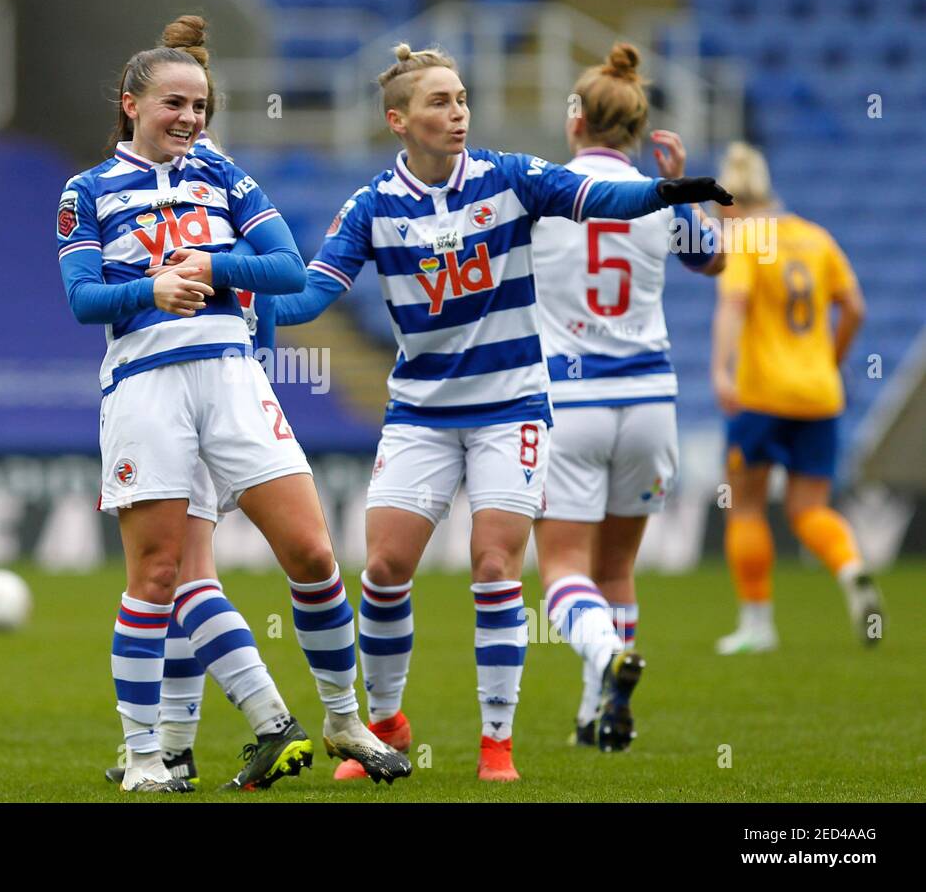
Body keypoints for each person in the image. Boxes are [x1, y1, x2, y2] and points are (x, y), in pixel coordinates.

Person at [270, 43, 732, 781]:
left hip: (511, 407)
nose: (457, 114)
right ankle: (384, 726)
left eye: (461, 99)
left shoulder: (509, 177)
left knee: (495, 567)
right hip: (420, 412)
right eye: (439, 103)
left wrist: (663, 194)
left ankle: (496, 747)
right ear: (398, 120)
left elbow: (597, 199)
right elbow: (313, 293)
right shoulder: (370, 207)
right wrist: (239, 300)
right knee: (385, 569)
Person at [58, 15, 411, 793]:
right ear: (130, 104)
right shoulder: (86, 191)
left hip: (233, 377)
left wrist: (214, 268)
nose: (187, 119)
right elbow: (83, 299)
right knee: (157, 577)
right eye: (173, 104)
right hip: (146, 386)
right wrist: (149, 288)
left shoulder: (222, 177)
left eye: (199, 107)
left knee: (314, 554)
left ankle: (342, 717)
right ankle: (147, 756)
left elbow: (287, 267)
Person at [531, 43, 724, 752]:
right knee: (617, 569)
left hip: (569, 399)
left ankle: (607, 661)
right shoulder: (658, 199)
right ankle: (599, 720)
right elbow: (716, 260)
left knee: (562, 572)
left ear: (575, 120)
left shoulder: (543, 192)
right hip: (649, 400)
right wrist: (682, 187)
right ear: (638, 132)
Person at [710, 142, 882, 653]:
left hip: (762, 393)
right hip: (819, 395)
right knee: (810, 508)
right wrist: (829, 359)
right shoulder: (814, 237)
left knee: (744, 507)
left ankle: (757, 624)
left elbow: (733, 308)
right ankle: (851, 569)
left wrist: (722, 371)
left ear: (730, 202)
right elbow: (855, 307)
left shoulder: (747, 241)